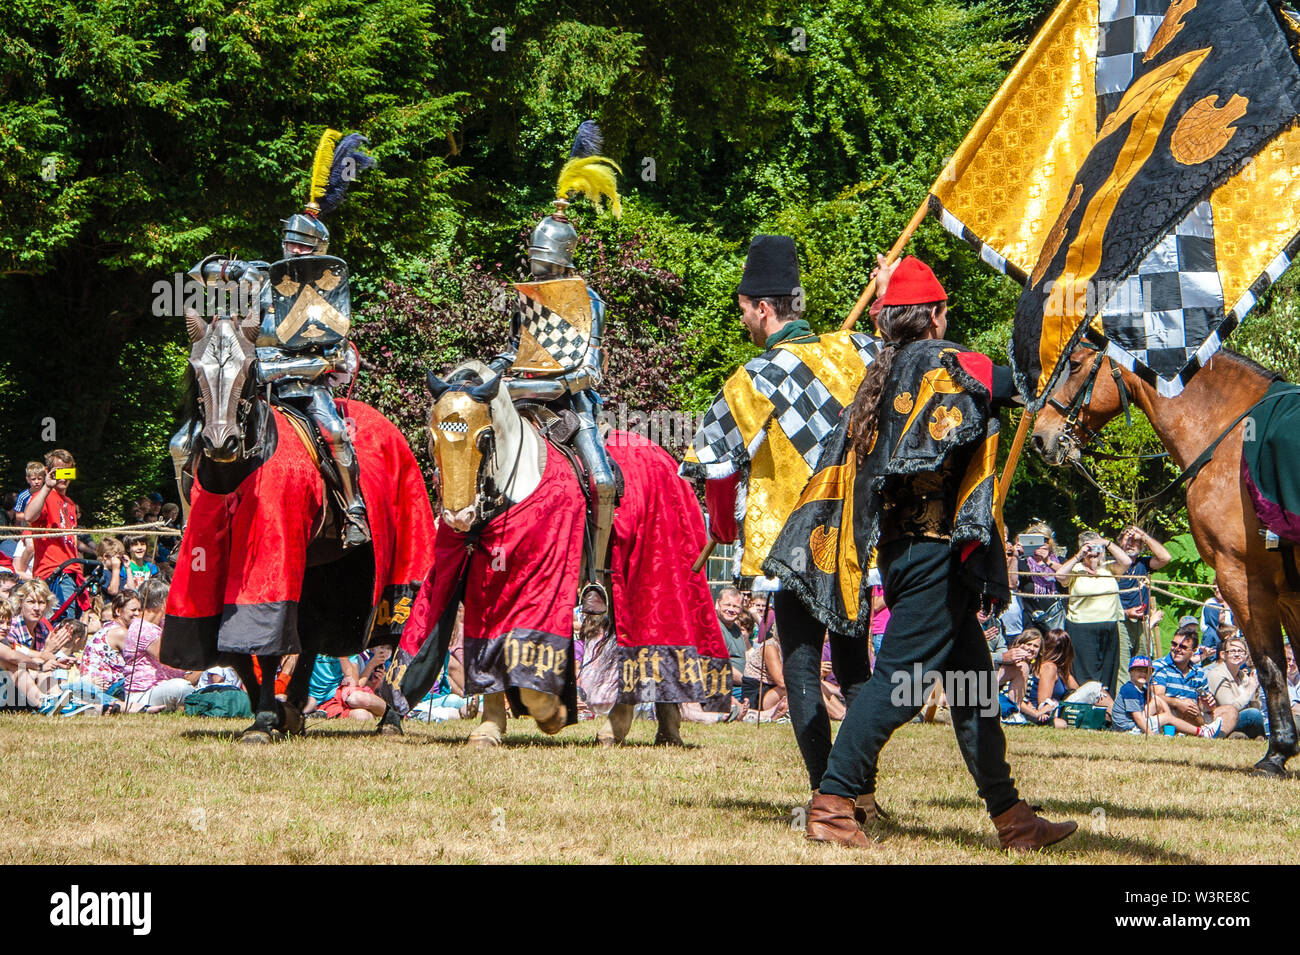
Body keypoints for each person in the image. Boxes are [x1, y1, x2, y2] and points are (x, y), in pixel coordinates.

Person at [794, 255, 1075, 851]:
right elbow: (1021, 384)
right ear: (936, 317)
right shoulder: (949, 363)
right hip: (935, 557)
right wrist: (1056, 312)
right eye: (944, 312)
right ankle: (833, 801)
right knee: (898, 682)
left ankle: (1011, 817)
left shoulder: (880, 372)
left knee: (973, 686)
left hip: (906, 555)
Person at [685, 234, 877, 810]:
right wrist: (888, 289)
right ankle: (860, 795)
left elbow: (714, 469)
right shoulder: (859, 351)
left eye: (744, 310)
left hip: (791, 547)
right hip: (850, 541)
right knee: (854, 669)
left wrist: (721, 526)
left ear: (764, 308)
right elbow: (910, 344)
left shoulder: (752, 379)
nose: (743, 321)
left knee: (798, 670)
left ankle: (829, 793)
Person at [169, 131, 375, 547]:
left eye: (302, 245)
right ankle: (190, 520)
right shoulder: (263, 275)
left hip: (298, 385)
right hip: (247, 384)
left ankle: (353, 510)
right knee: (180, 442)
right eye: (289, 242)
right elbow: (197, 272)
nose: (293, 249)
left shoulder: (327, 289)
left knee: (333, 430)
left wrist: (278, 366)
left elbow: (329, 357)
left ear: (318, 248)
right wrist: (223, 267)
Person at [487, 120, 622, 597]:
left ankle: (596, 580)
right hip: (521, 400)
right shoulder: (527, 296)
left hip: (571, 405)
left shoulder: (589, 302)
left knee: (602, 482)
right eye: (534, 261)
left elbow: (590, 368)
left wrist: (559, 385)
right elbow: (517, 350)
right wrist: (497, 368)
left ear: (563, 259)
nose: (537, 270)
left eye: (545, 263)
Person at [1055, 531, 1129, 696]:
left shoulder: (1109, 568)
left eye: (1097, 548)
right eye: (1090, 548)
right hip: (1081, 628)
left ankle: (1105, 708)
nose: (1094, 552)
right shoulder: (1075, 569)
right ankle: (1085, 706)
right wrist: (1079, 554)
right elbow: (1060, 576)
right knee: (1084, 671)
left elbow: (1126, 561)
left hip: (1109, 626)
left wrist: (1106, 543)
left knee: (1108, 669)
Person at [19, 450, 83, 615]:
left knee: (75, 625)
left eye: (68, 472)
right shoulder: (44, 496)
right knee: (62, 627)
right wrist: (47, 486)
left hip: (73, 572)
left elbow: (72, 542)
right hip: (54, 572)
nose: (64, 478)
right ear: (48, 471)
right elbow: (29, 516)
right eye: (59, 471)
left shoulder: (69, 503)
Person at [1151, 622, 1236, 739]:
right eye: (1174, 644)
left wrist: (1207, 704)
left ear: (1194, 651)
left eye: (1183, 647)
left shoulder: (1199, 673)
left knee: (1231, 711)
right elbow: (1157, 697)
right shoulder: (1160, 666)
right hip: (1171, 713)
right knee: (1187, 704)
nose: (1176, 649)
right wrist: (1178, 703)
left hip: (1195, 714)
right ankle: (1206, 733)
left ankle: (1217, 736)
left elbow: (1204, 706)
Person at [123, 581, 199, 712]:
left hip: (162, 687)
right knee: (180, 687)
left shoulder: (160, 624)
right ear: (164, 602)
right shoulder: (142, 628)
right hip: (143, 694)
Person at [1114, 526, 1169, 685]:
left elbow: (1165, 558)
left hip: (1141, 624)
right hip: (1121, 622)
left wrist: (1143, 536)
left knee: (1142, 665)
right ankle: (1122, 705)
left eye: (1136, 541)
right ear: (1119, 542)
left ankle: (1140, 701)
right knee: (1124, 669)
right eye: (1127, 539)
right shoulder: (1113, 566)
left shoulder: (1143, 564)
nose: (1131, 544)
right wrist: (1126, 612)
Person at [1204, 633, 1265, 739]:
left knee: (1256, 714)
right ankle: (1257, 737)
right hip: (1221, 719)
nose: (1237, 654)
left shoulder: (1243, 676)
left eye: (1240, 651)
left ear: (1246, 656)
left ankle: (1238, 735)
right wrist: (1249, 690)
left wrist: (1255, 689)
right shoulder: (1217, 674)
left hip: (1241, 717)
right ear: (1223, 655)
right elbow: (1230, 708)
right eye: (1232, 651)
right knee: (1253, 715)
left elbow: (1256, 706)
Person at [1017, 522, 1066, 631]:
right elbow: (1012, 583)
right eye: (1036, 541)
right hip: (1032, 621)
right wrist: (1015, 556)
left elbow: (1066, 577)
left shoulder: (1060, 561)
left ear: (1050, 543)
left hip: (1057, 621)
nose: (1041, 544)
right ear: (1029, 543)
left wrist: (1047, 561)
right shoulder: (1022, 564)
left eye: (1045, 540)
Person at [714, 587, 750, 702]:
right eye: (727, 605)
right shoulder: (715, 628)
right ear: (718, 603)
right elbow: (720, 665)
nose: (731, 609)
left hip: (743, 685)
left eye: (735, 606)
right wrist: (747, 682)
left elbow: (745, 656)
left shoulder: (736, 629)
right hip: (726, 687)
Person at [1111, 656, 1158, 734]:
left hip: (1134, 723)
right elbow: (1137, 717)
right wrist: (1150, 733)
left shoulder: (1144, 690)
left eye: (1146, 671)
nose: (1143, 674)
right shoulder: (1129, 689)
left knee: (1158, 701)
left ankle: (1172, 730)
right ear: (1131, 672)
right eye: (1139, 670)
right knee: (1165, 718)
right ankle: (1185, 729)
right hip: (1127, 727)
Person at [1199, 580, 1234, 666]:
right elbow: (1204, 625)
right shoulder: (1210, 603)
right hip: (1217, 636)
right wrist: (1219, 630)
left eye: (1219, 588)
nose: (1217, 590)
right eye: (1215, 588)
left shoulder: (1232, 602)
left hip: (1231, 638)